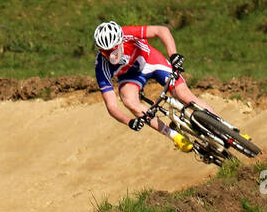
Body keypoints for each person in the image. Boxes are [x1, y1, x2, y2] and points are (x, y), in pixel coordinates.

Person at [93, 20, 220, 152]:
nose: (110, 55)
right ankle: (174, 136)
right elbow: (111, 106)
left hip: (151, 60)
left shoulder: (127, 33)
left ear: (120, 41)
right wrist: (129, 121)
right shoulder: (101, 66)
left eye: (113, 50)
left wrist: (173, 55)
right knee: (129, 101)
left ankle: (229, 130)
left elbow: (161, 30)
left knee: (183, 94)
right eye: (105, 52)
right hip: (130, 76)